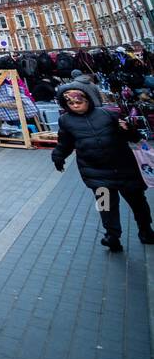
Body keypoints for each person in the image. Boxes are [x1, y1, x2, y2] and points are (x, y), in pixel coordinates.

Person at [52, 85, 154, 252]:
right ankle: (112, 236)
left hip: (124, 168)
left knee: (138, 202)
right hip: (95, 173)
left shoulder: (108, 114)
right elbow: (65, 142)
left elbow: (134, 137)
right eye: (71, 103)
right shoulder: (66, 120)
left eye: (79, 102)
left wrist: (128, 129)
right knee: (106, 206)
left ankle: (146, 230)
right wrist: (58, 157)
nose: (76, 105)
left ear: (88, 100)